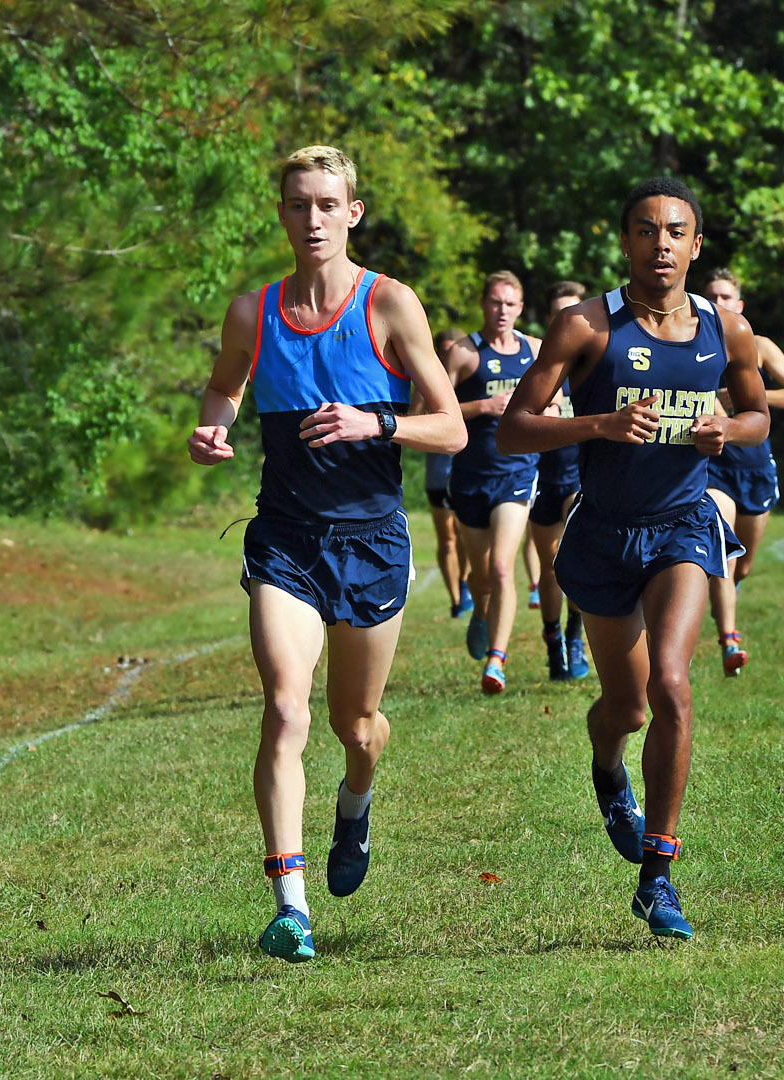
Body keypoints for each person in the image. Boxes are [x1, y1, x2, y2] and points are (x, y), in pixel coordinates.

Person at [188, 145, 465, 963]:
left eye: (325, 204)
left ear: (353, 213)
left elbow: (449, 426)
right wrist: (215, 424)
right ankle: (291, 906)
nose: (310, 219)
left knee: (357, 724)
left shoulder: (390, 306)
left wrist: (374, 422)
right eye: (296, 204)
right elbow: (224, 384)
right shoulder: (253, 311)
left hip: (373, 542)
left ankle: (357, 800)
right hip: (286, 541)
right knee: (285, 707)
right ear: (282, 212)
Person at [500, 177, 769, 939]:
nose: (662, 245)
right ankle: (608, 768)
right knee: (627, 706)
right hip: (603, 534)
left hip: (683, 524)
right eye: (646, 231)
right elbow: (513, 431)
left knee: (675, 687)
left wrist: (729, 434)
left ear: (696, 244)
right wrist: (598, 425)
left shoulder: (728, 330)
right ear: (625, 242)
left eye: (676, 232)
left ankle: (658, 876)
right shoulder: (585, 327)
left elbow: (755, 413)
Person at [699, 269, 784, 675]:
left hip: (756, 468)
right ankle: (730, 641)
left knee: (743, 564)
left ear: (740, 305)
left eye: (727, 296)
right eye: (712, 295)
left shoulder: (760, 346)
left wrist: (752, 395)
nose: (719, 302)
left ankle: (724, 598)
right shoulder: (690, 344)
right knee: (725, 555)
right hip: (714, 469)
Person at [445, 271, 543, 694]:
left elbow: (553, 401)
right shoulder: (464, 353)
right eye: (495, 302)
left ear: (521, 308)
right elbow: (430, 410)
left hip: (517, 473)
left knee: (503, 567)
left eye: (511, 304)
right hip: (469, 477)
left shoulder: (535, 350)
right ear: (484, 304)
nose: (502, 311)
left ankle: (496, 661)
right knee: (481, 576)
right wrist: (484, 405)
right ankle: (480, 611)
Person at [527, 281, 594, 680]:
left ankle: (575, 638)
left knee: (580, 564)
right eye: (558, 313)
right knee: (550, 568)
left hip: (584, 479)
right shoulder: (539, 364)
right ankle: (553, 642)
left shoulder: (597, 361)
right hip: (543, 478)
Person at [424, 327, 475, 617]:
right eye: (441, 351)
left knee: (466, 534)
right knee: (447, 538)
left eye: (451, 349)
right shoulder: (425, 380)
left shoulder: (472, 378)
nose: (447, 355)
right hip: (437, 472)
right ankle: (457, 599)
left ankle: (465, 582)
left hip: (468, 470)